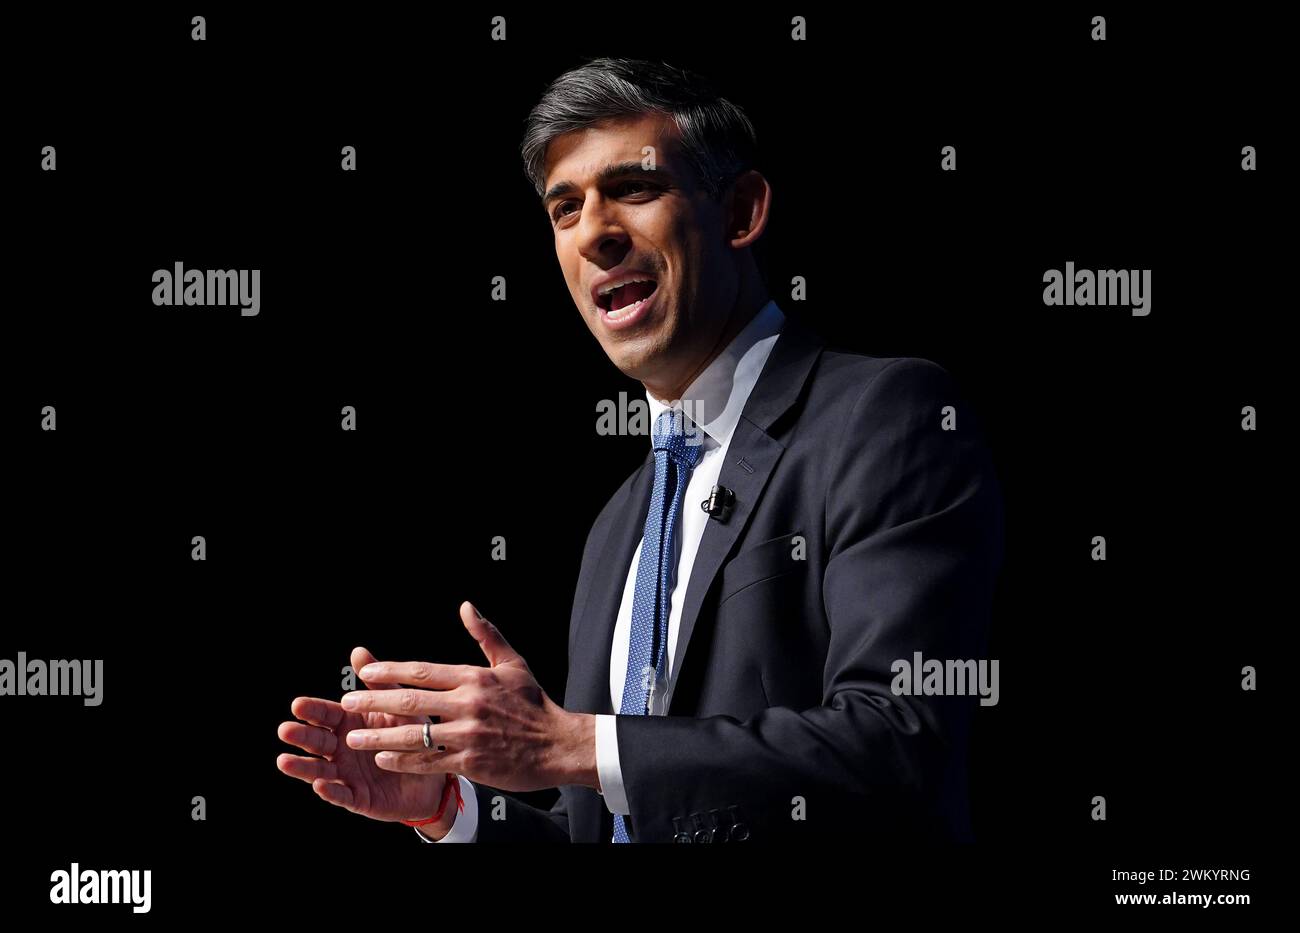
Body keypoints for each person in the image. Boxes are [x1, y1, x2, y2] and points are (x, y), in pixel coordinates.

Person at [277, 58, 1005, 843]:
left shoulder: (885, 415)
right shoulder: (617, 527)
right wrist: (452, 810)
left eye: (633, 188)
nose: (594, 231)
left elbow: (899, 740)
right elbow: (607, 820)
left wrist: (575, 744)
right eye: (565, 209)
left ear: (741, 211)